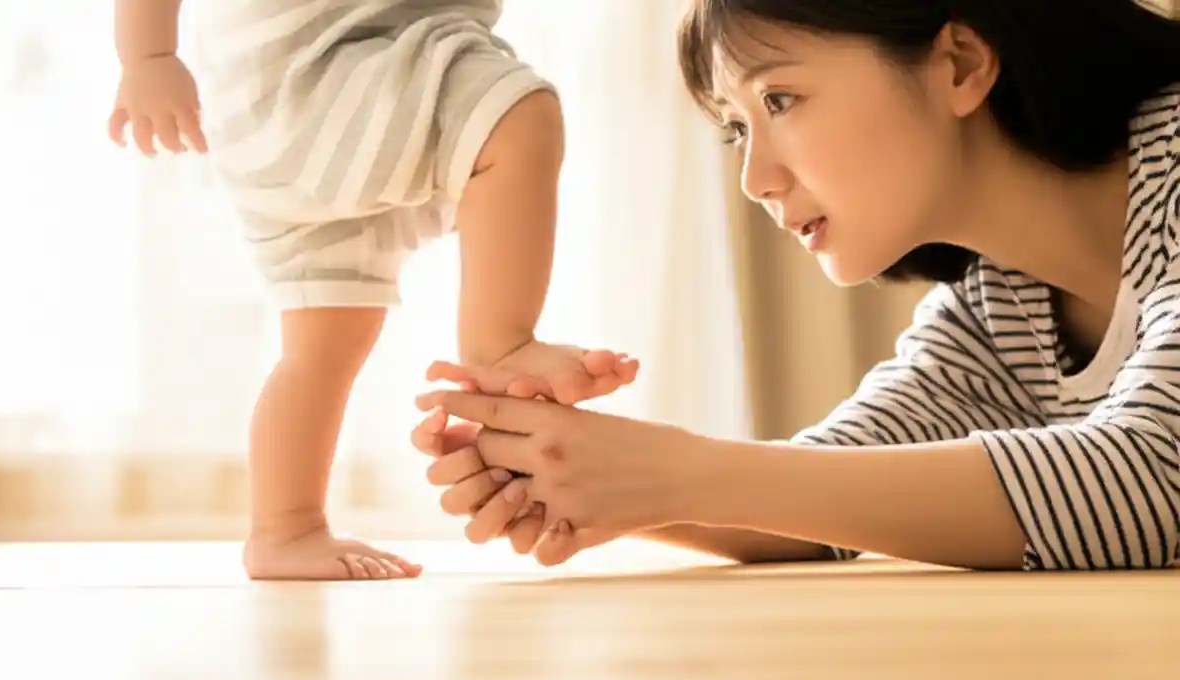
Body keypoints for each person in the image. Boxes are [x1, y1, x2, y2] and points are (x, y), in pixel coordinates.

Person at [413, 0, 1180, 572]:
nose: (755, 179)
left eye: (779, 99)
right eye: (739, 127)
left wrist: (674, 473)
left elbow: (1150, 481)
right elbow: (831, 489)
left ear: (960, 65)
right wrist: (586, 481)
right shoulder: (1000, 300)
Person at [107, 0, 640, 580]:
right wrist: (147, 55)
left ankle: (285, 529)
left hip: (282, 107)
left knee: (323, 344)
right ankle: (500, 343)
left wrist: (149, 59)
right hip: (315, 73)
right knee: (516, 117)